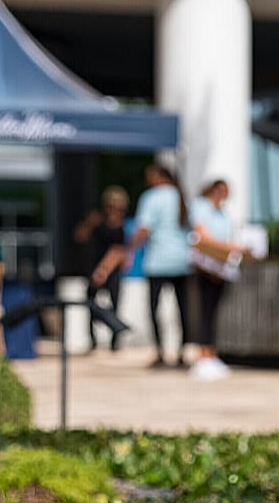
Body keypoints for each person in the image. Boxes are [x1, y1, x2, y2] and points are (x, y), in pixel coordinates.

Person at [126, 163, 192, 369]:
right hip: (182, 261)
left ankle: (161, 352)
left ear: (158, 176)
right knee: (183, 309)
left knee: (154, 308)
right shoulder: (181, 196)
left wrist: (128, 250)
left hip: (158, 261)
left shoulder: (151, 197)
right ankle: (182, 353)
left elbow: (143, 230)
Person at [187, 179, 243, 381]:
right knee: (204, 310)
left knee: (214, 311)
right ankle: (203, 352)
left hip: (222, 269)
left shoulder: (225, 213)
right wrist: (226, 249)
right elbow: (202, 236)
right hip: (205, 267)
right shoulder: (201, 207)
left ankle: (211, 352)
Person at [73, 185, 130, 351]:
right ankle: (93, 339)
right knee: (91, 304)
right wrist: (88, 224)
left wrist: (103, 270)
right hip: (94, 267)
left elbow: (117, 251)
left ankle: (115, 339)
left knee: (115, 304)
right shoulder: (97, 221)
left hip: (109, 270)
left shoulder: (120, 227)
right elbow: (79, 236)